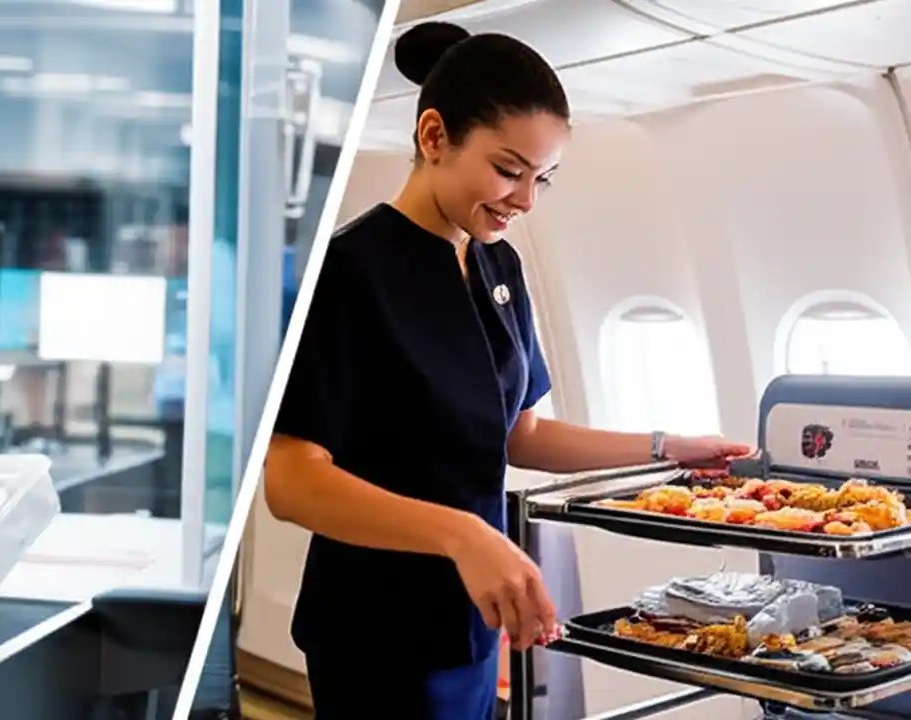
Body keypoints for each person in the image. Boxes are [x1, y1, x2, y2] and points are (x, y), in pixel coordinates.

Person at [263, 23, 753, 719]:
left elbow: (522, 433)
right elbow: (292, 481)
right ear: (435, 136)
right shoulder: (347, 272)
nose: (525, 200)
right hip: (374, 628)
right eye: (508, 170)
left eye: (542, 178)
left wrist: (666, 448)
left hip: (468, 614)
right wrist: (464, 536)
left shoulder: (498, 266)